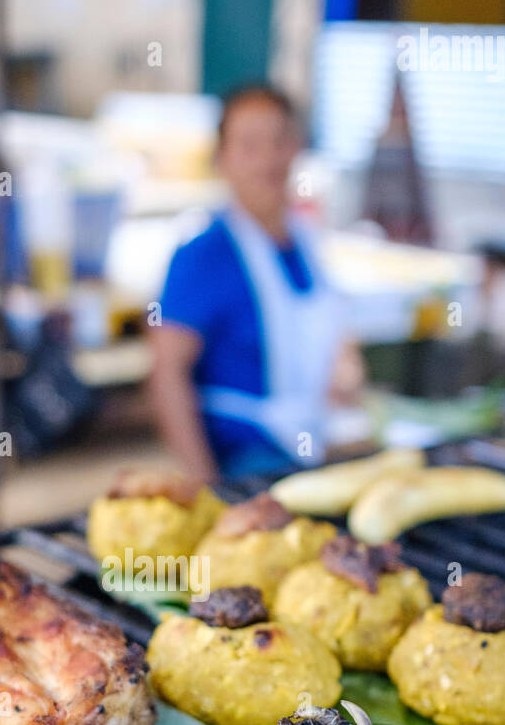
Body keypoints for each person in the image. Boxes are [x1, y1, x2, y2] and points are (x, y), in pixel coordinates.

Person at [150, 84, 362, 481]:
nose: (268, 159)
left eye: (279, 141)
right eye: (249, 145)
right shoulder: (202, 256)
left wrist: (346, 374)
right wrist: (209, 487)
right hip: (247, 463)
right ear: (222, 159)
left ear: (297, 148)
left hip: (315, 445)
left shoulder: (308, 240)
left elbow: (336, 335)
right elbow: (167, 376)